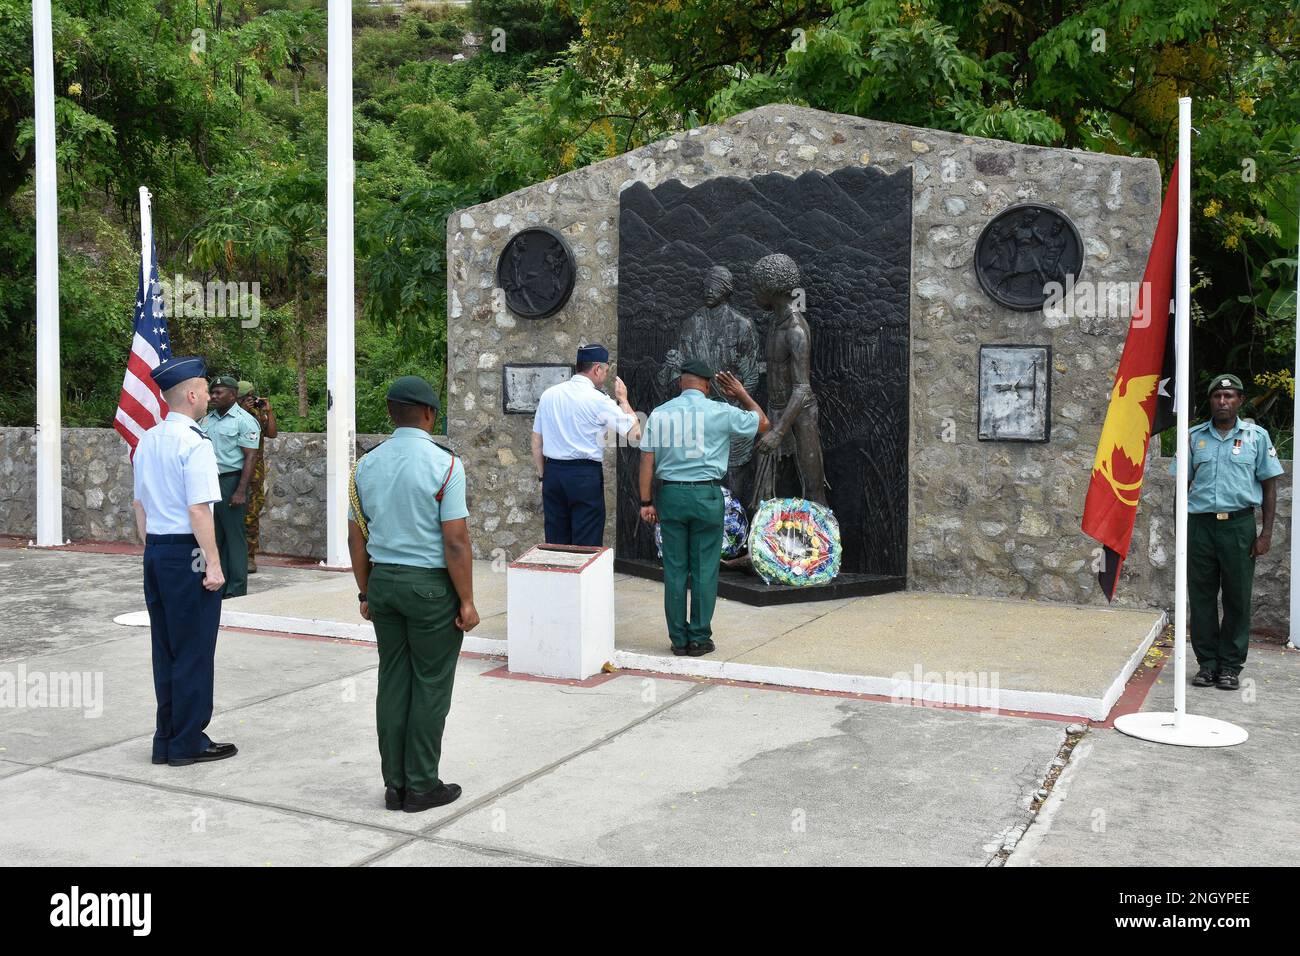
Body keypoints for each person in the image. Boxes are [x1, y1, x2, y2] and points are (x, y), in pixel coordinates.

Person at [347, 375, 480, 813]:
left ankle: (395, 785)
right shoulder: (445, 465)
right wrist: (466, 600)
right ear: (428, 414)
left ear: (390, 412)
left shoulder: (365, 466)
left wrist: (364, 591)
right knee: (430, 686)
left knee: (393, 682)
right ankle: (422, 785)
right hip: (430, 589)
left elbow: (356, 536)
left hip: (383, 584)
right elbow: (456, 541)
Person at [131, 355, 237, 767]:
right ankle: (188, 740)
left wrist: (152, 547)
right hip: (187, 551)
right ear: (192, 394)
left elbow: (139, 505)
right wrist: (212, 563)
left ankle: (167, 737)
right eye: (206, 389)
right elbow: (199, 510)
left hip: (157, 550)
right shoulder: (195, 443)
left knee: (167, 648)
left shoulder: (148, 440)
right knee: (193, 648)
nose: (209, 396)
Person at [638, 359, 770, 657]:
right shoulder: (720, 411)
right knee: (704, 568)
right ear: (708, 385)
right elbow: (763, 423)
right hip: (707, 495)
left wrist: (646, 502)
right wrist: (741, 394)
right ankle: (699, 638)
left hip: (671, 495)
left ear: (680, 383)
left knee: (674, 570)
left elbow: (647, 460)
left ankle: (678, 640)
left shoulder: (660, 414)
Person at [1170, 374, 1283, 690]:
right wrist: (1181, 532)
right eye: (1218, 397)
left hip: (1238, 526)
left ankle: (1230, 666)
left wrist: (1266, 533)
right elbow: (1181, 486)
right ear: (1210, 401)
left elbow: (1269, 486)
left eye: (1230, 396)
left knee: (1237, 598)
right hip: (1200, 527)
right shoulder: (1192, 438)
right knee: (1201, 597)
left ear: (1240, 401)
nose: (1223, 402)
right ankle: (1207, 664)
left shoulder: (1256, 437)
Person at [531, 343, 641, 546]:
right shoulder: (598, 400)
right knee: (586, 542)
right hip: (583, 474)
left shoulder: (549, 395)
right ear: (597, 369)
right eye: (606, 371)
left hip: (553, 472)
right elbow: (634, 434)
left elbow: (537, 441)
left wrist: (542, 476)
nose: (606, 376)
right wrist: (624, 401)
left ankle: (559, 577)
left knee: (556, 540)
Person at [201, 375, 260, 597]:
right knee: (216, 535)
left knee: (234, 536)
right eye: (212, 392)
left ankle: (236, 587)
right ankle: (221, 584)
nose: (213, 396)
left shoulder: (244, 420)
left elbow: (250, 457)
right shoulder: (207, 420)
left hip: (231, 481)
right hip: (209, 482)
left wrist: (240, 490)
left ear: (233, 395)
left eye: (219, 393)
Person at [237, 381, 278, 574]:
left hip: (255, 474)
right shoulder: (231, 416)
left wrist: (268, 412)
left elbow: (272, 433)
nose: (251, 401)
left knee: (251, 515)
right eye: (246, 398)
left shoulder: (256, 414)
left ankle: (249, 556)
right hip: (234, 471)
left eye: (252, 397)